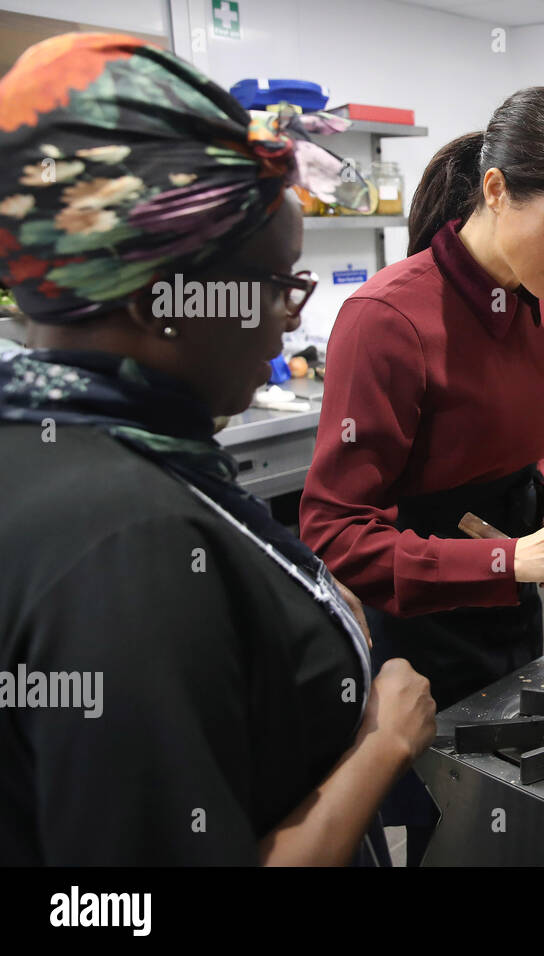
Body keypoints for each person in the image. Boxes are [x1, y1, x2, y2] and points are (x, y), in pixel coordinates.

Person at [0, 33, 437, 865]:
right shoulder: (129, 542)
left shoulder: (55, 440)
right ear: (160, 300)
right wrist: (384, 740)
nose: (287, 319)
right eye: (277, 283)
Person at [297, 86, 544, 864]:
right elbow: (336, 533)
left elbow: (522, 449)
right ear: (495, 189)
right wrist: (511, 558)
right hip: (419, 635)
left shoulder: (540, 297)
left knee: (510, 821)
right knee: (442, 830)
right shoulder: (387, 321)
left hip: (510, 617)